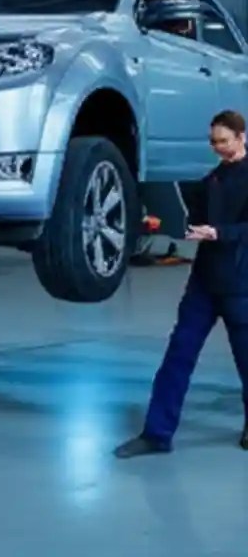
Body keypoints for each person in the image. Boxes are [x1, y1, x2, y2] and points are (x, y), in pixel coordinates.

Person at [115, 109, 248, 459]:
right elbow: (191, 216)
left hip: (240, 284)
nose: (217, 148)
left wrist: (220, 233)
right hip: (204, 283)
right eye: (213, 142)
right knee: (178, 355)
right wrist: (170, 222)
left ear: (242, 137)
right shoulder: (212, 180)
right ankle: (156, 434)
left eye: (223, 141)